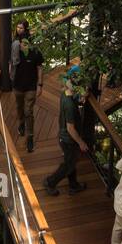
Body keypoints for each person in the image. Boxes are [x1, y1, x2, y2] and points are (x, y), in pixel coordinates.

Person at [44, 68, 89, 196]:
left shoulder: (65, 93)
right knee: (68, 165)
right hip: (68, 139)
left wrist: (81, 97)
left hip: (65, 137)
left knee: (72, 162)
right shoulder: (69, 105)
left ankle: (73, 185)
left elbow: (76, 97)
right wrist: (81, 143)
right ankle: (50, 182)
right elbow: (70, 128)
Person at [12, 34, 43, 152]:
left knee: (28, 111)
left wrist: (40, 85)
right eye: (21, 43)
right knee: (19, 108)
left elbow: (40, 68)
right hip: (18, 87)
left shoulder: (35, 53)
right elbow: (10, 64)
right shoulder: (15, 52)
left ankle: (30, 137)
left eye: (26, 43)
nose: (23, 45)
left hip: (31, 87)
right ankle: (21, 123)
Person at [9, 19, 30, 84]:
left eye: (21, 28)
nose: (19, 29)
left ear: (25, 29)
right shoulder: (15, 37)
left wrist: (12, 64)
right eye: (18, 27)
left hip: (19, 63)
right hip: (15, 61)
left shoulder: (24, 39)